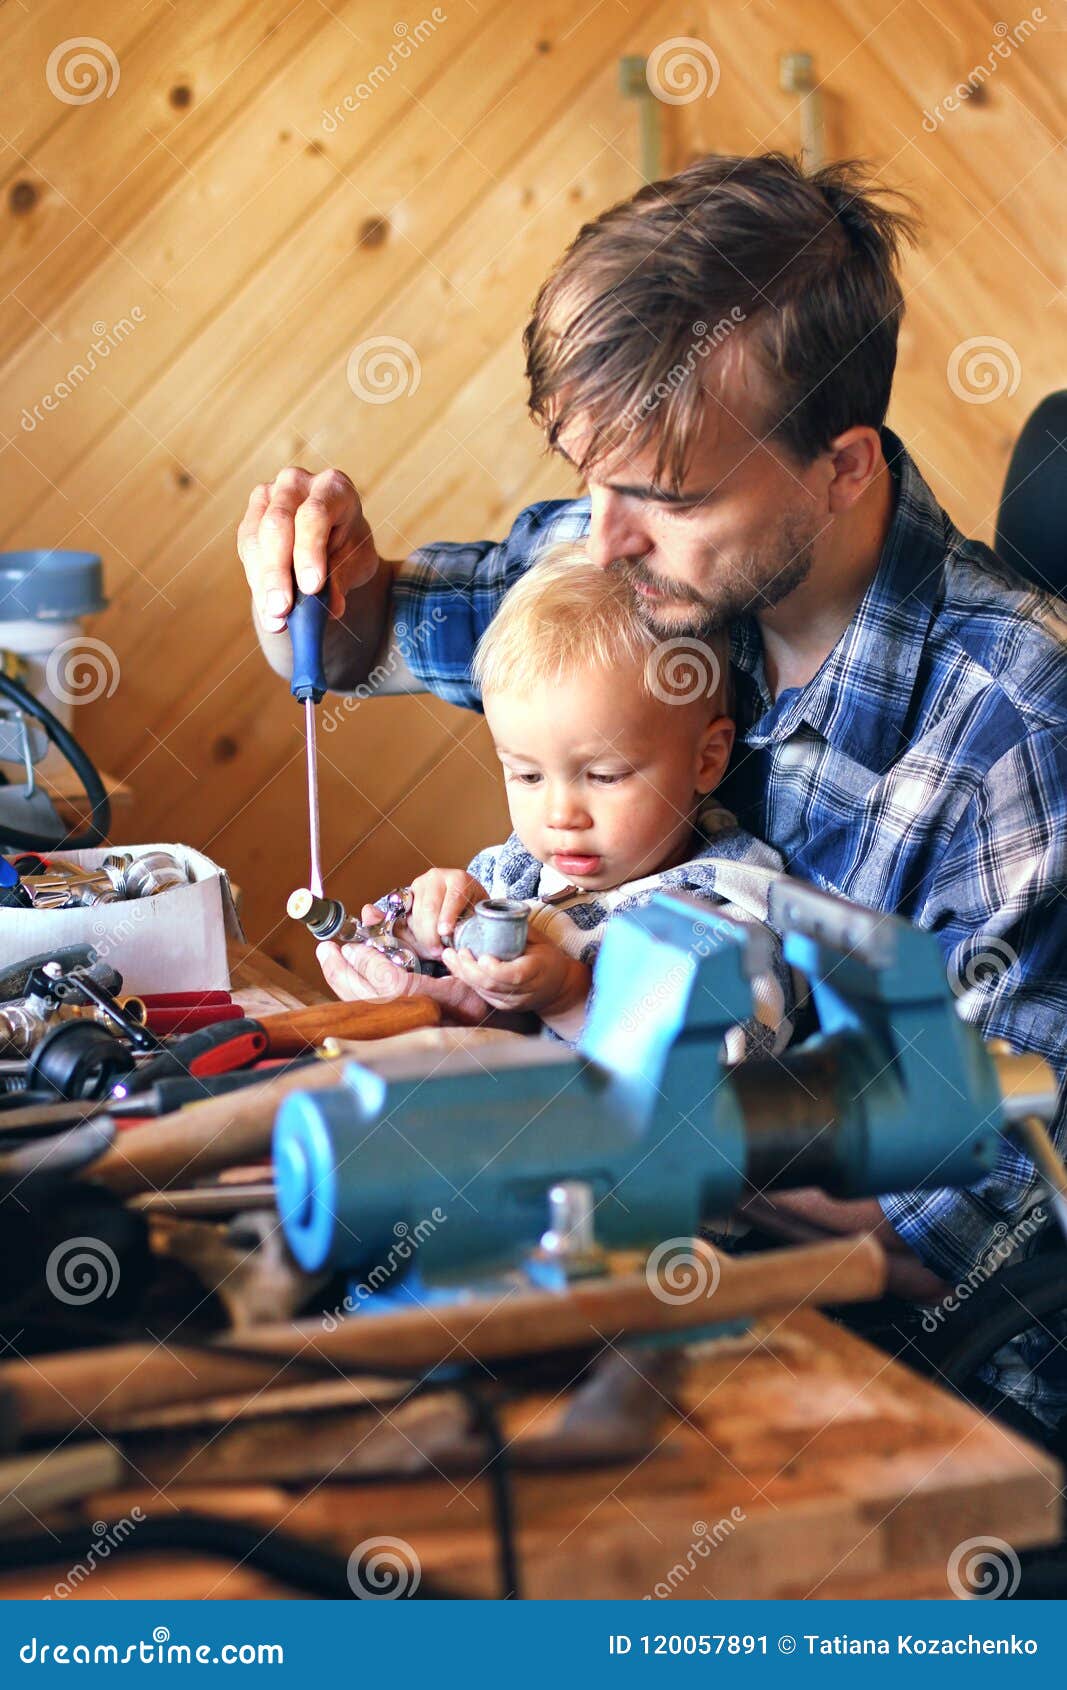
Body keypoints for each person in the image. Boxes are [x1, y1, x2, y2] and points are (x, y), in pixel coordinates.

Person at [239, 151, 1067, 1434]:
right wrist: (323, 589)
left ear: (841, 467)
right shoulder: (638, 553)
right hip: (634, 1259)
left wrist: (566, 1033)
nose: (602, 535)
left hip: (894, 1382)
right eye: (589, 474)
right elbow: (385, 633)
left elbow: (983, 1222)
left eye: (664, 495)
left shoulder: (1013, 717)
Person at [355, 545, 793, 1057]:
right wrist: (420, 929)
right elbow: (418, 964)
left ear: (706, 760)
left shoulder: (731, 900)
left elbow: (724, 1057)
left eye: (605, 776)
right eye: (527, 774)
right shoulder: (514, 873)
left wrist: (570, 998)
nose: (561, 816)